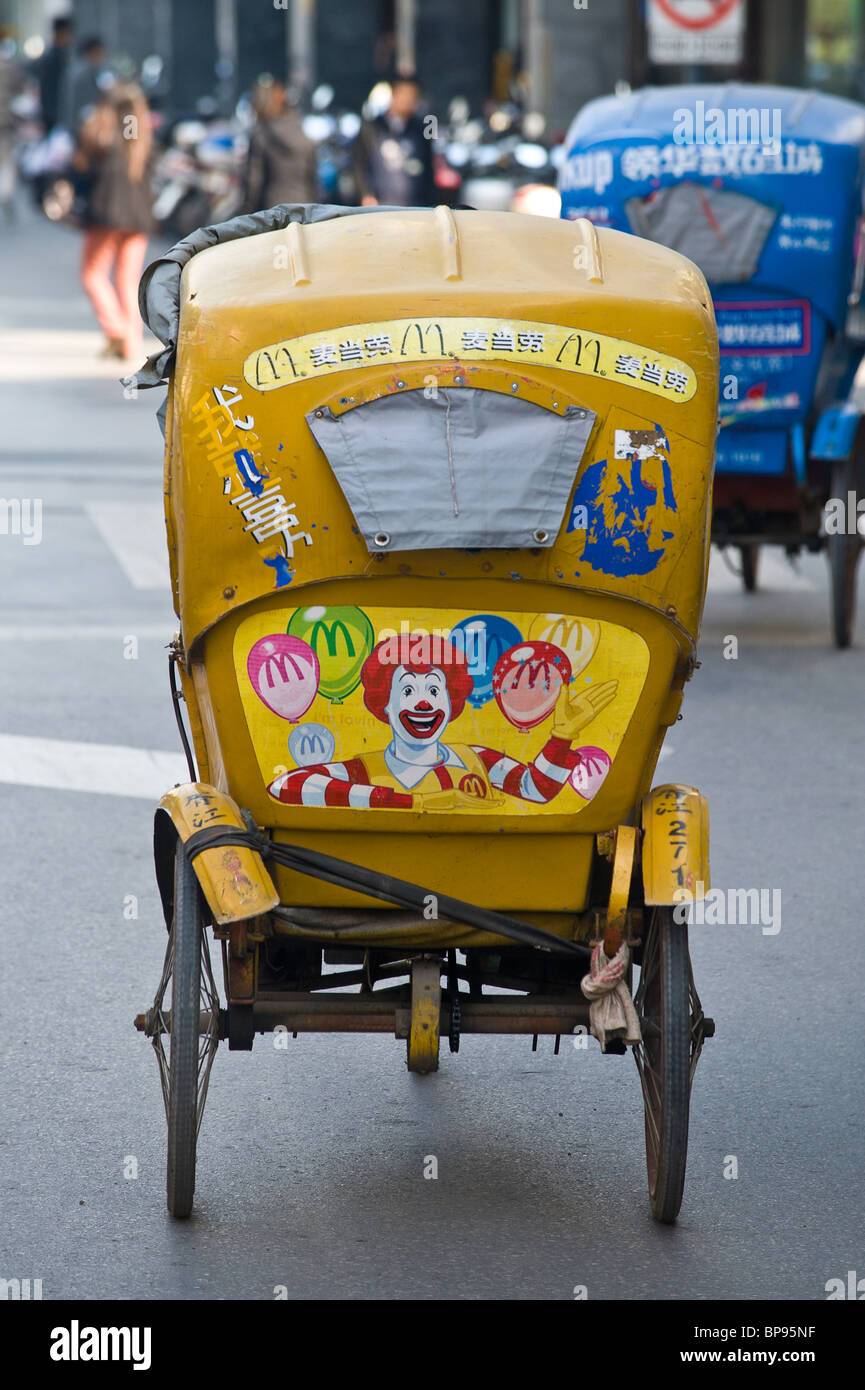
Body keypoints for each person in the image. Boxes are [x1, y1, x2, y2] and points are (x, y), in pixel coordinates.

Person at [75, 81, 154, 362]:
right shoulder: (142, 138)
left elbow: (80, 172)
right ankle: (131, 344)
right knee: (127, 280)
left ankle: (116, 328)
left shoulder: (99, 136)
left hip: (104, 218)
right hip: (138, 220)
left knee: (92, 274)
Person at [353, 72, 435, 207]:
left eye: (413, 97)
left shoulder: (421, 129)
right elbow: (359, 165)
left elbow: (428, 169)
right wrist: (365, 194)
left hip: (415, 206)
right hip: (380, 205)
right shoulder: (372, 127)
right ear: (393, 95)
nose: (408, 101)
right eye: (405, 95)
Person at [243, 77, 318, 211]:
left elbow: (255, 180)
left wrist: (248, 209)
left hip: (272, 209)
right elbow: (312, 177)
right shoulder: (301, 129)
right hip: (305, 206)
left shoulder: (261, 135)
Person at [0, 27, 27, 219]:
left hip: (6, 122)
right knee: (7, 163)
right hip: (5, 122)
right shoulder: (8, 66)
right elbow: (22, 89)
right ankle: (6, 194)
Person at [33, 14, 73, 132]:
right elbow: (50, 90)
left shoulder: (60, 55)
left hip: (56, 115)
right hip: (55, 116)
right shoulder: (53, 57)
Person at [63, 35, 107, 134]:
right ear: (93, 51)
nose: (102, 57)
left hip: (70, 125)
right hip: (80, 128)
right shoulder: (86, 72)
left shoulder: (74, 68)